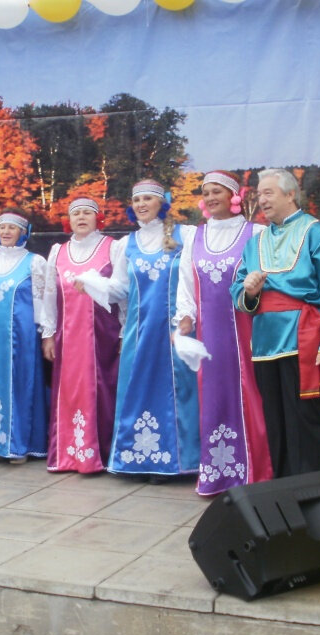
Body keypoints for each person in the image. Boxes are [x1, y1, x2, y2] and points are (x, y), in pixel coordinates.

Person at [232, 168, 320, 477]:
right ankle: (284, 496)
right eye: (259, 194)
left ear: (290, 194)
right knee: (274, 422)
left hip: (302, 339)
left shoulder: (315, 232)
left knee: (303, 421)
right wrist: (249, 290)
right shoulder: (255, 242)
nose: (262, 200)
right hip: (264, 344)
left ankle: (311, 496)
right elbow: (237, 290)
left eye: (268, 193)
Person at [174, 170, 272, 496]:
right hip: (209, 336)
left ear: (233, 196)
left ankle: (253, 472)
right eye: (206, 192)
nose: (211, 197)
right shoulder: (195, 237)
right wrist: (185, 318)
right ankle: (217, 474)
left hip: (246, 332)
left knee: (249, 394)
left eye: (217, 191)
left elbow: (266, 282)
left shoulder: (255, 233)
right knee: (212, 399)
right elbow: (186, 284)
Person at [104, 180, 199, 481]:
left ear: (162, 203)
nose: (141, 204)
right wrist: (93, 284)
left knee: (177, 391)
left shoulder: (187, 235)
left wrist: (187, 317)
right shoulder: (125, 245)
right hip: (138, 331)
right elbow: (119, 288)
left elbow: (193, 280)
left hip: (173, 330)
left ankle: (176, 463)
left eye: (148, 198)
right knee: (137, 389)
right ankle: (137, 460)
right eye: (137, 200)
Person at [40, 198, 121, 474]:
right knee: (69, 391)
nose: (81, 217)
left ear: (98, 218)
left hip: (102, 335)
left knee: (101, 390)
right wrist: (48, 334)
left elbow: (122, 293)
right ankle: (68, 453)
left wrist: (123, 329)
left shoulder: (112, 248)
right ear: (68, 220)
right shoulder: (58, 252)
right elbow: (49, 296)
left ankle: (101, 454)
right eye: (76, 213)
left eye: (87, 212)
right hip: (68, 337)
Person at [0, 209, 49, 463]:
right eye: (2, 227)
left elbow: (42, 303)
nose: (5, 232)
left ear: (23, 233)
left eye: (12, 228)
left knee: (20, 384)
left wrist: (44, 333)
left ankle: (19, 444)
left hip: (22, 337)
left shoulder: (35, 262)